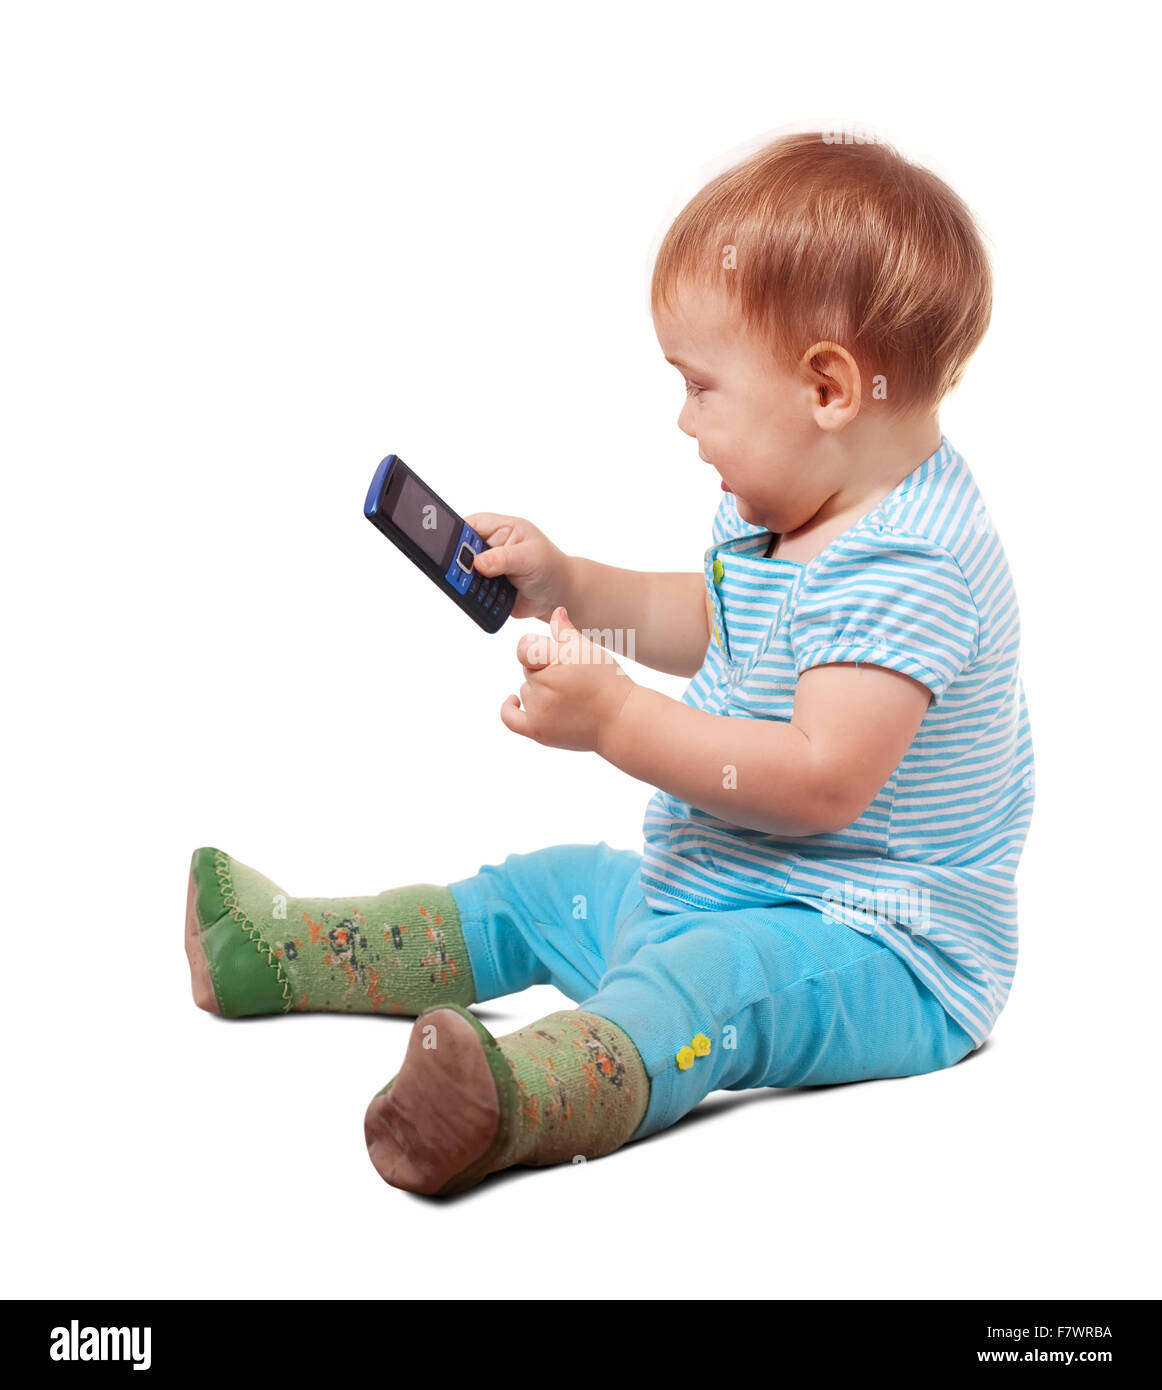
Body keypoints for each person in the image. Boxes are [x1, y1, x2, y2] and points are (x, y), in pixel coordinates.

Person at [185, 130, 1034, 1196]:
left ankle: (513, 1101)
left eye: (701, 386)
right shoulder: (792, 505)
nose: (682, 421)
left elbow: (821, 781)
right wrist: (575, 589)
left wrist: (616, 723)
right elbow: (717, 618)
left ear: (826, 389)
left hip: (873, 947)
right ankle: (286, 948)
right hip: (718, 884)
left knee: (703, 983)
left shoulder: (913, 563)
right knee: (546, 890)